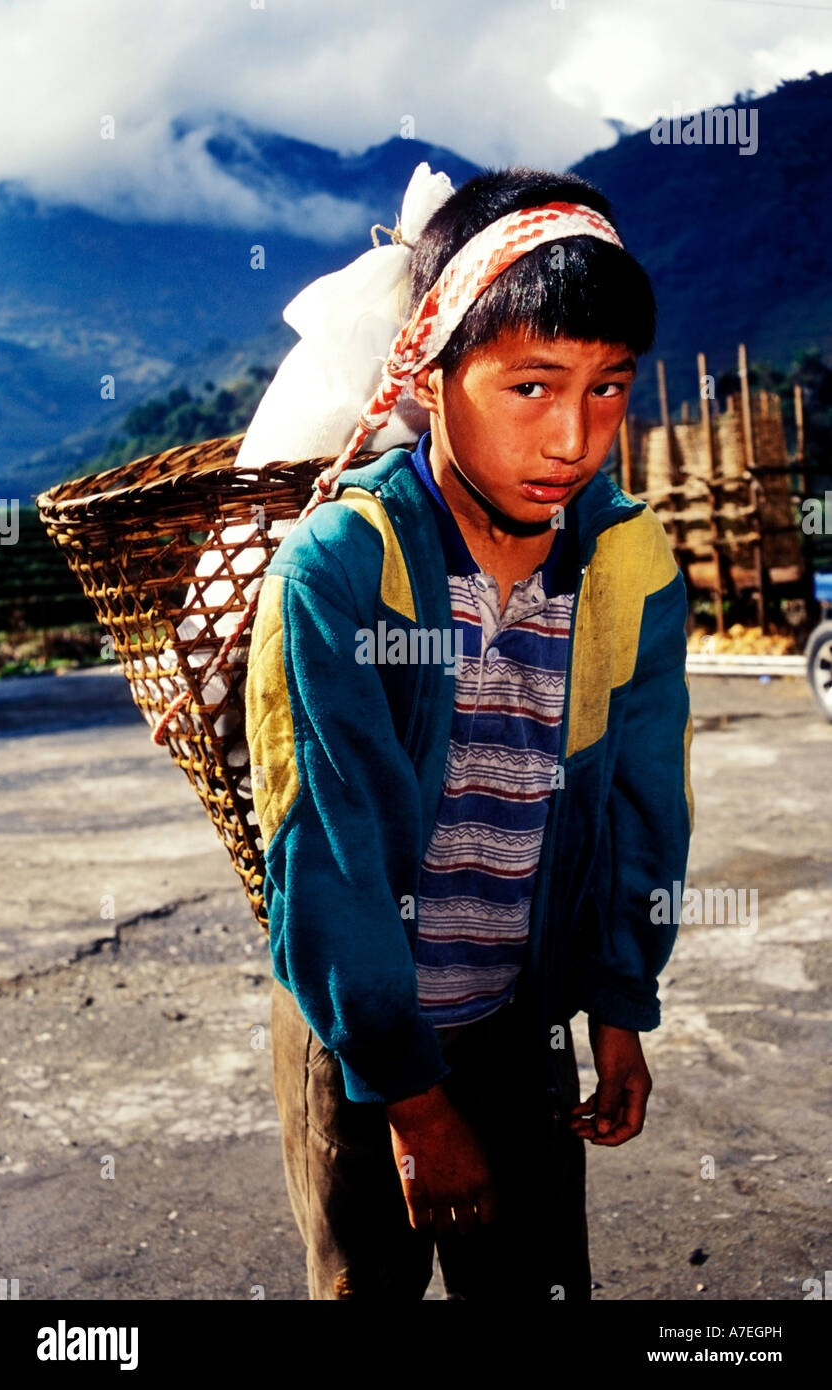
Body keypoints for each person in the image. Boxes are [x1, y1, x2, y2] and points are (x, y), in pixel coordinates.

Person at [244, 166, 694, 1302]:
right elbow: (329, 861)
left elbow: (641, 809)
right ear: (433, 375)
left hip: (517, 1022)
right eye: (530, 387)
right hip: (357, 1044)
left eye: (606, 390)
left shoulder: (628, 565)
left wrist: (621, 1008)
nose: (573, 437)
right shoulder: (341, 574)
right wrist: (407, 1097)